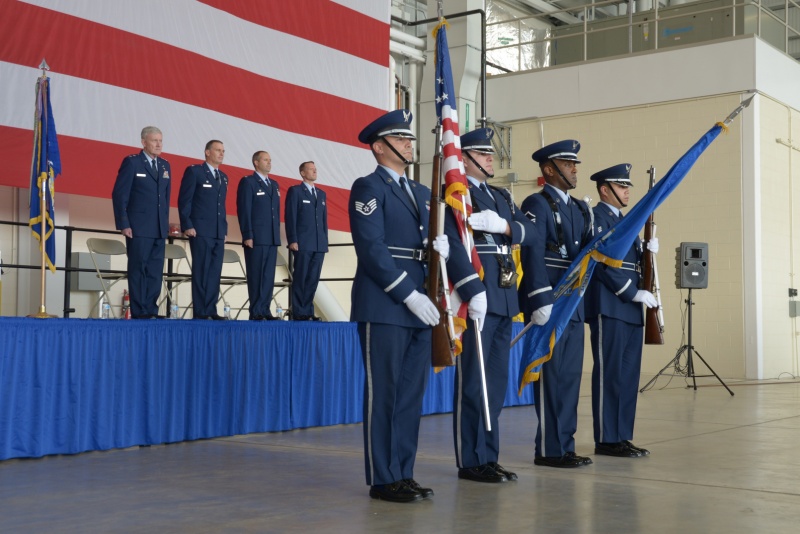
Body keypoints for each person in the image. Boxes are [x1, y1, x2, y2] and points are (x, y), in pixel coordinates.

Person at [349, 109, 462, 503]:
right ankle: (383, 478)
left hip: (421, 306)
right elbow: (372, 250)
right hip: (386, 304)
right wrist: (408, 294)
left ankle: (403, 472)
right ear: (380, 147)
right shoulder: (368, 187)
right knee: (385, 393)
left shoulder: (418, 192)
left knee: (411, 394)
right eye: (401, 139)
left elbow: (428, 243)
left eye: (410, 138)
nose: (409, 144)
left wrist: (441, 254)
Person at [446, 128, 536, 483]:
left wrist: (504, 225)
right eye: (482, 154)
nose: (489, 159)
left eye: (490, 154)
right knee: (474, 383)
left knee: (494, 383)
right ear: (464, 157)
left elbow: (533, 233)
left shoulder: (500, 196)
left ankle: (488, 455)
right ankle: (471, 460)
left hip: (504, 296)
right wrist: (471, 289)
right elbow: (454, 245)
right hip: (478, 297)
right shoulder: (457, 193)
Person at [519, 140, 594, 468]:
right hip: (549, 302)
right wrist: (539, 298)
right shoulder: (536, 203)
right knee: (551, 377)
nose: (575, 169)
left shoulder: (579, 209)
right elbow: (532, 253)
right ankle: (549, 449)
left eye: (575, 163)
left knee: (570, 378)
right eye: (568, 163)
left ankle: (565, 445)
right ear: (549, 169)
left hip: (573, 304)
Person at [585, 163, 659, 458]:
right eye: (621, 186)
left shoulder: (626, 220)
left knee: (628, 376)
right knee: (609, 373)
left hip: (631, 308)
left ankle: (621, 436)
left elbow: (634, 264)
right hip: (609, 303)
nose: (627, 191)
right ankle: (606, 438)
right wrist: (631, 291)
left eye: (628, 186)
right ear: (605, 189)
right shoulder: (597, 218)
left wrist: (646, 250)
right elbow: (601, 260)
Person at [111, 126, 171, 319]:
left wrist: (165, 224)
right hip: (138, 226)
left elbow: (166, 198)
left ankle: (151, 309)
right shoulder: (133, 163)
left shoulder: (164, 165)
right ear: (144, 142)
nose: (158, 144)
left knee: (155, 270)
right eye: (154, 140)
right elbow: (120, 194)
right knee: (138, 268)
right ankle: (139, 310)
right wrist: (124, 223)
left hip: (159, 227)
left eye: (160, 140)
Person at [178, 140, 228, 320]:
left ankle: (211, 309)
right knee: (202, 270)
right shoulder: (195, 171)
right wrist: (187, 224)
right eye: (217, 150)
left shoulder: (223, 176)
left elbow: (220, 206)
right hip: (199, 230)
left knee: (214, 271)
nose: (221, 153)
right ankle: (201, 311)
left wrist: (224, 229)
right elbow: (185, 200)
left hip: (217, 231)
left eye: (223, 151)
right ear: (207, 152)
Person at [237, 151, 281, 320]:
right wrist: (247, 234)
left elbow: (275, 212)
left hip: (271, 237)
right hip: (256, 237)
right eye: (265, 160)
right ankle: (256, 311)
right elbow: (244, 209)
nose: (269, 163)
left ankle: (265, 309)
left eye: (270, 160)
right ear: (256, 162)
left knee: (268, 276)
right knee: (256, 274)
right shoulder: (249, 182)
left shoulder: (274, 184)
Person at [285, 161, 328, 321]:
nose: (314, 171)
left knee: (313, 279)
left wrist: (324, 241)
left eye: (315, 168)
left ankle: (308, 311)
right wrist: (292, 239)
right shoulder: (296, 191)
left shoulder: (321, 193)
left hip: (318, 244)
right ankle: (299, 312)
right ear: (303, 173)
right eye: (311, 169)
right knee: (301, 277)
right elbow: (291, 217)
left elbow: (324, 221)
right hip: (303, 242)